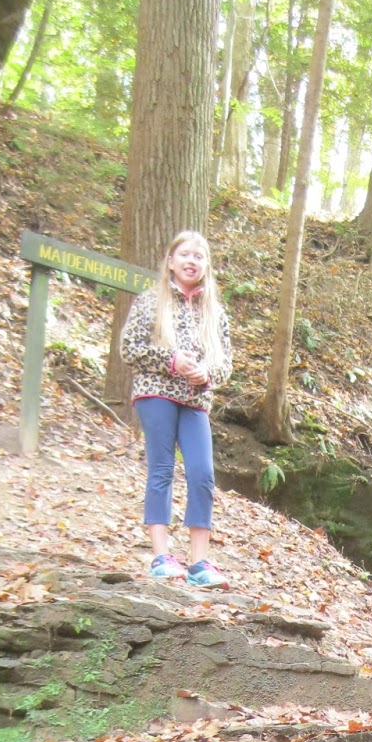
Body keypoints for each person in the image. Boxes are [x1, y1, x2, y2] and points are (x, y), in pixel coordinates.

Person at [120, 230, 233, 587]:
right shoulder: (150, 301)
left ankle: (199, 563)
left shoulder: (215, 313)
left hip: (195, 400)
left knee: (202, 473)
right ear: (170, 262)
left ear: (206, 266)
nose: (191, 262)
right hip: (156, 393)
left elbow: (225, 364)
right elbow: (129, 348)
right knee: (162, 468)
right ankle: (161, 557)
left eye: (198, 257)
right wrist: (171, 360)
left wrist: (207, 373)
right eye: (184, 255)